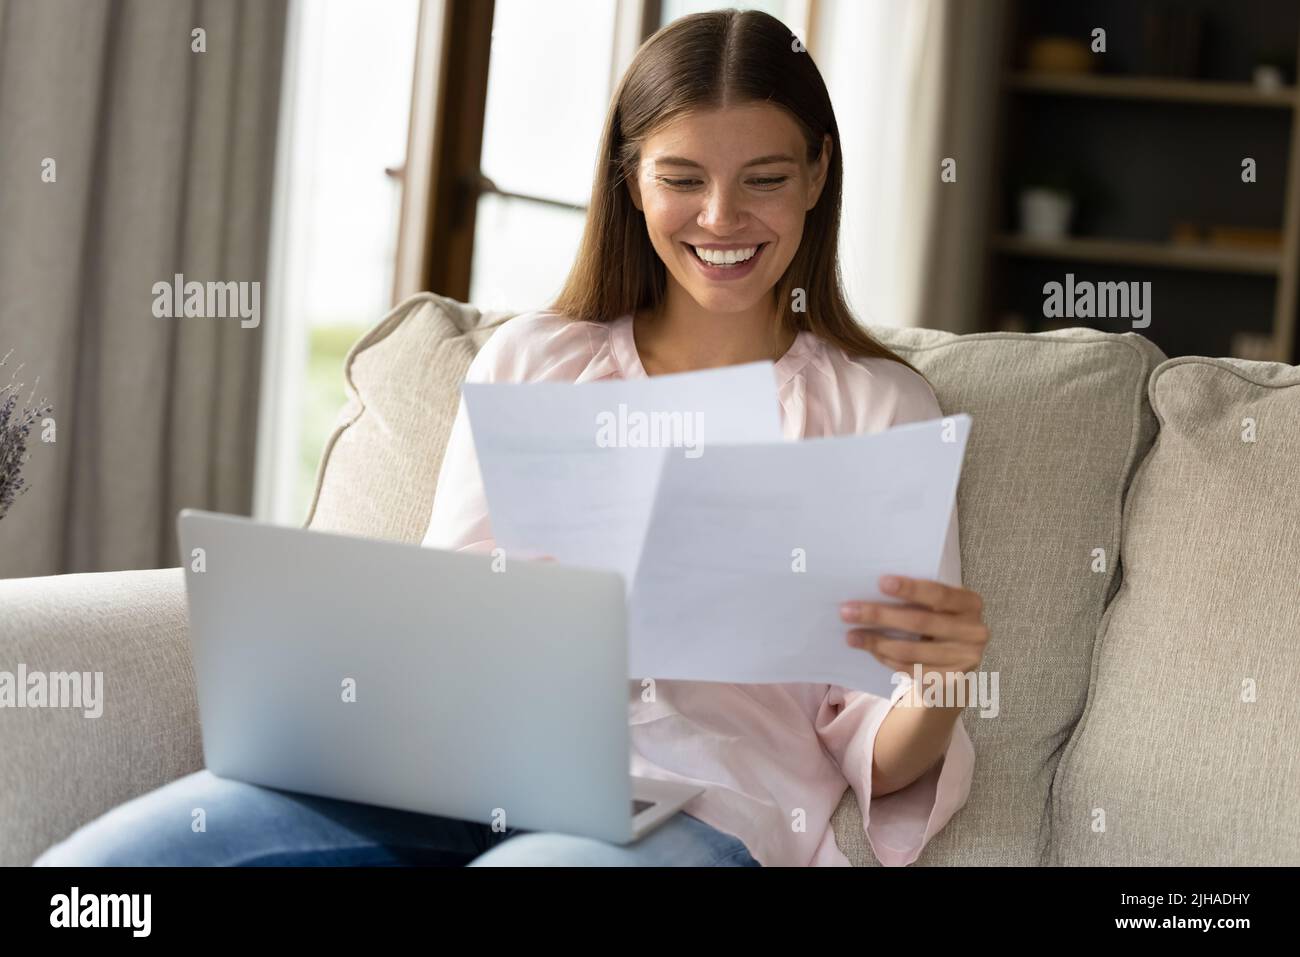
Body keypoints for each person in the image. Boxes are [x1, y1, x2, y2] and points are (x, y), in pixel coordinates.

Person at [35, 8, 987, 868]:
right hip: (462, 780)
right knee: (133, 858)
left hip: (707, 813)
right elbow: (445, 629)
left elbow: (879, 747)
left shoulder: (877, 407)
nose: (722, 218)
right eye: (682, 178)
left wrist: (939, 680)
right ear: (629, 177)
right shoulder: (533, 360)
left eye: (765, 180)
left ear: (818, 172)